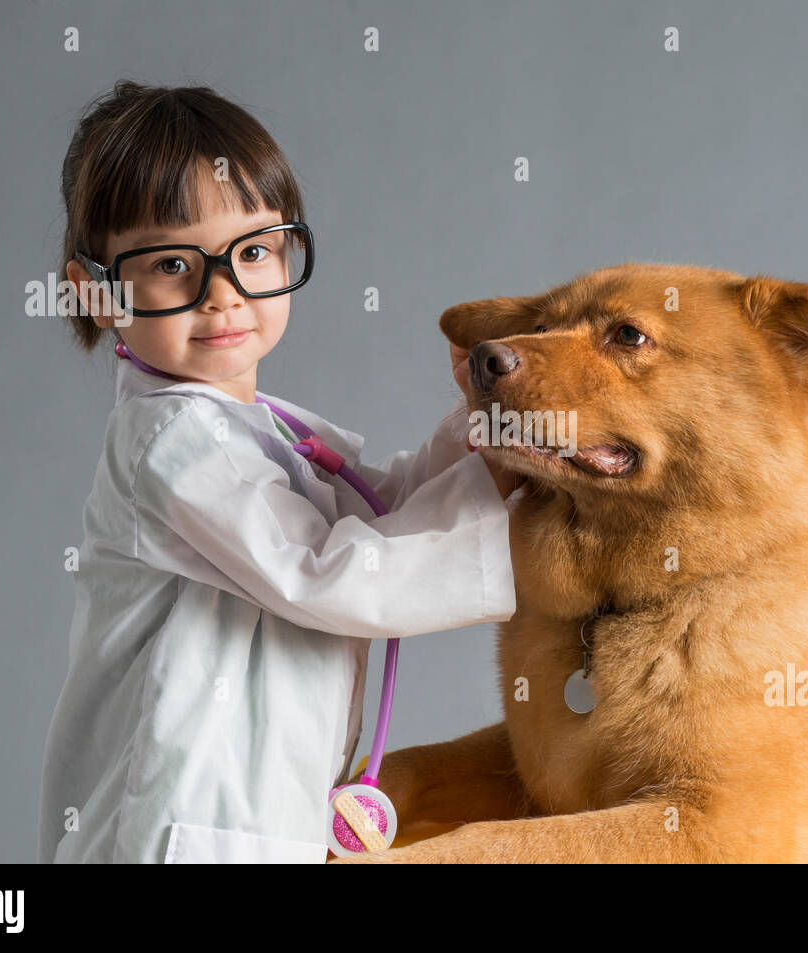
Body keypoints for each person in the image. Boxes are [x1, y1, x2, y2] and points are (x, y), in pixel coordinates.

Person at [37, 81, 522, 863]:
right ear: (97, 292)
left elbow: (376, 513)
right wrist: (533, 543)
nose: (223, 294)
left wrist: (484, 419)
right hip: (180, 831)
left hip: (256, 825)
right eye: (172, 263)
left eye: (254, 251)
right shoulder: (170, 442)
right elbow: (324, 573)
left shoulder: (265, 433)